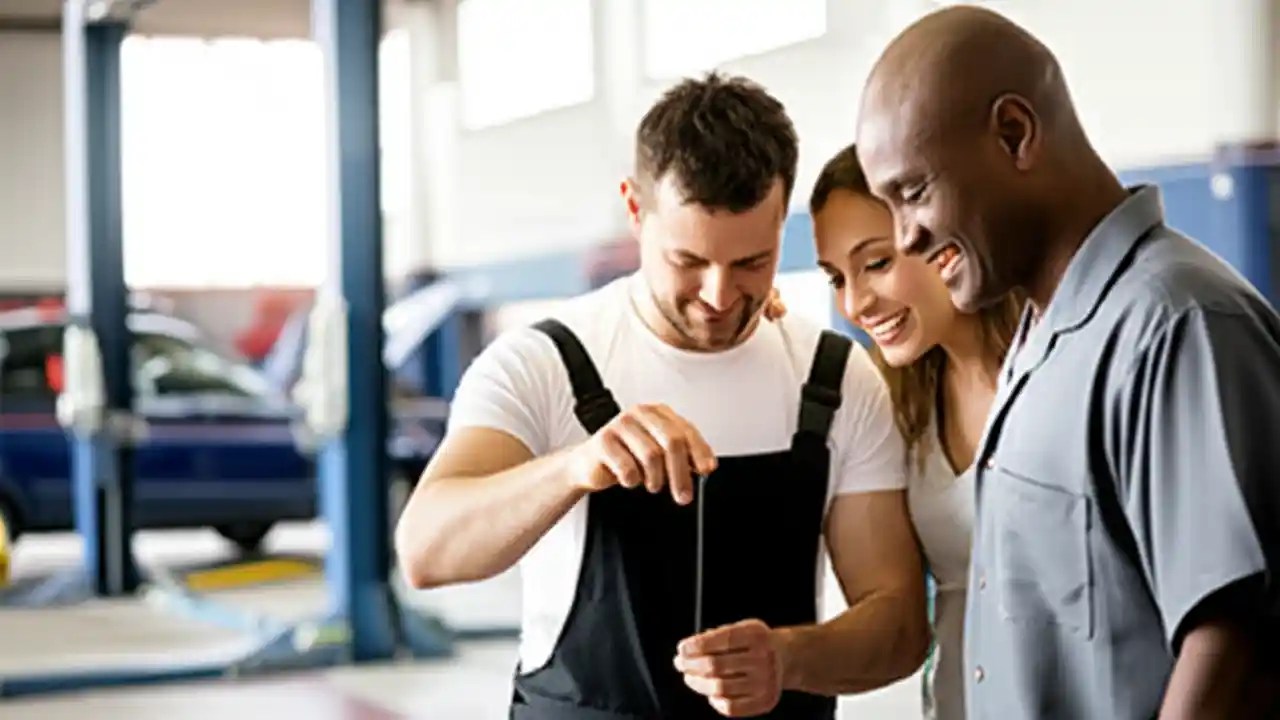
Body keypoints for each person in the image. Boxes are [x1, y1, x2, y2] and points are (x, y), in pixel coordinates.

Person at [395, 72, 930, 720]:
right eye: (689, 261)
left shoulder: (836, 377)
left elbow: (899, 626)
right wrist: (574, 468)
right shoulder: (542, 366)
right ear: (634, 209)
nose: (719, 296)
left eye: (752, 263)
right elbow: (426, 551)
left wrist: (790, 658)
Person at [855, 6, 1280, 719]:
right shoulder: (1039, 339)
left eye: (915, 192)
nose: (908, 235)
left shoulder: (1175, 324)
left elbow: (1235, 645)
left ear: (1015, 134)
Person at [806, 142, 1022, 719]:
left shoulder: (1055, 372)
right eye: (835, 277)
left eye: (876, 263)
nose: (855, 303)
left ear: (944, 237)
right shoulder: (902, 403)